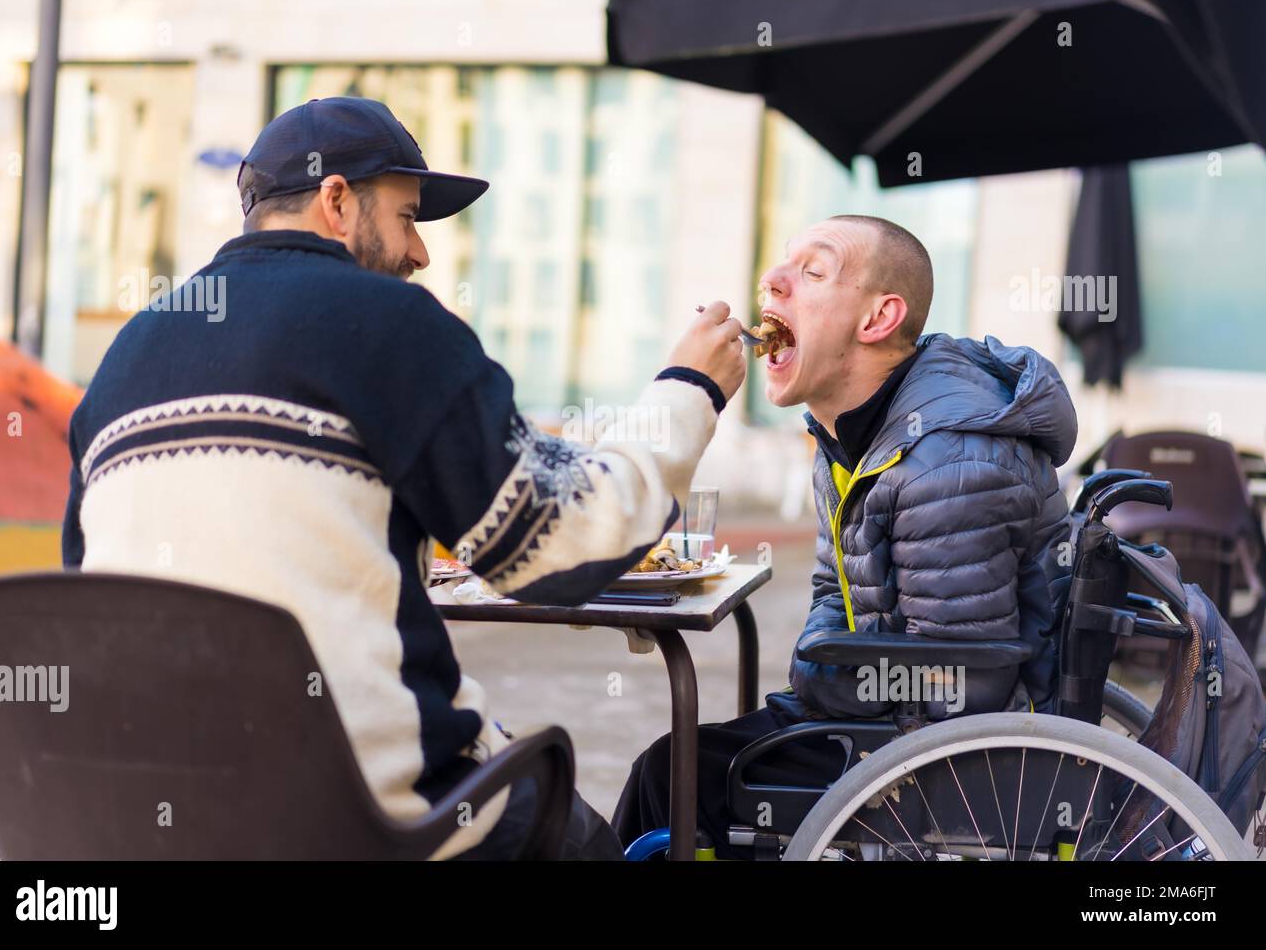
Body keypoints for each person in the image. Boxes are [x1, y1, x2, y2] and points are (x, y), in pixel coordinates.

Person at [61, 97, 747, 859]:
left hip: (144, 806)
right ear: (336, 200)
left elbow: (87, 586)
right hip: (362, 811)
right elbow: (561, 542)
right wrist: (689, 390)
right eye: (408, 216)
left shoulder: (126, 354)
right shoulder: (389, 319)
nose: (420, 253)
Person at [613, 215, 1079, 858]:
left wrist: (821, 674)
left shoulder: (948, 461)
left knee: (672, 776)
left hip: (950, 764)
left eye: (811, 272)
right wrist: (822, 668)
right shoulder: (849, 433)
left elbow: (958, 684)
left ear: (879, 318)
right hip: (877, 722)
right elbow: (833, 588)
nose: (770, 284)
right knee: (667, 769)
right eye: (779, 267)